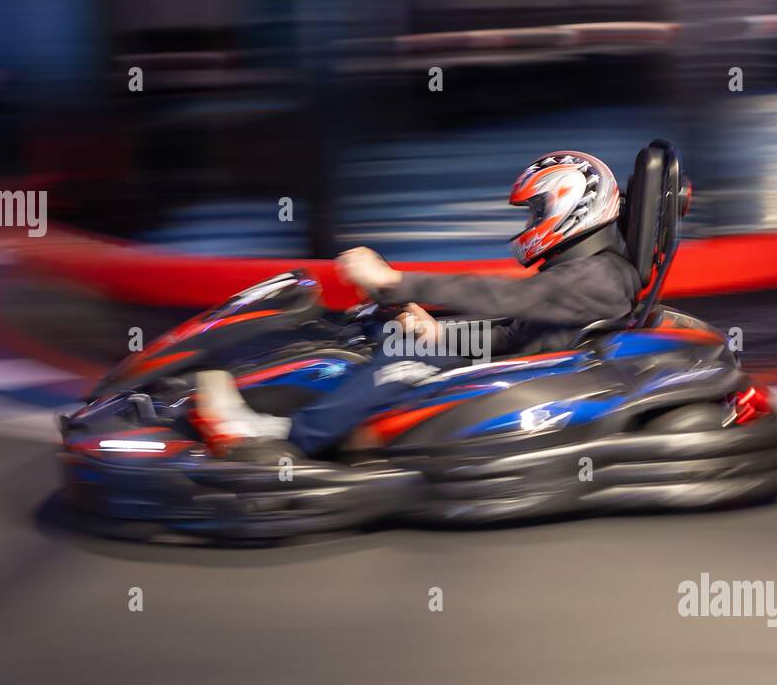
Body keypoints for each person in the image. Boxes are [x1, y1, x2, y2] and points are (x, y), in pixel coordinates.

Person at [195, 150, 641, 456]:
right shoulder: (584, 272)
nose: (530, 223)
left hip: (533, 383)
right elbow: (514, 330)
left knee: (407, 356)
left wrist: (397, 283)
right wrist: (441, 331)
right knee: (380, 328)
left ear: (571, 208)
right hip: (523, 362)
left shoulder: (600, 275)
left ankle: (288, 438)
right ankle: (272, 390)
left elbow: (502, 296)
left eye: (535, 213)